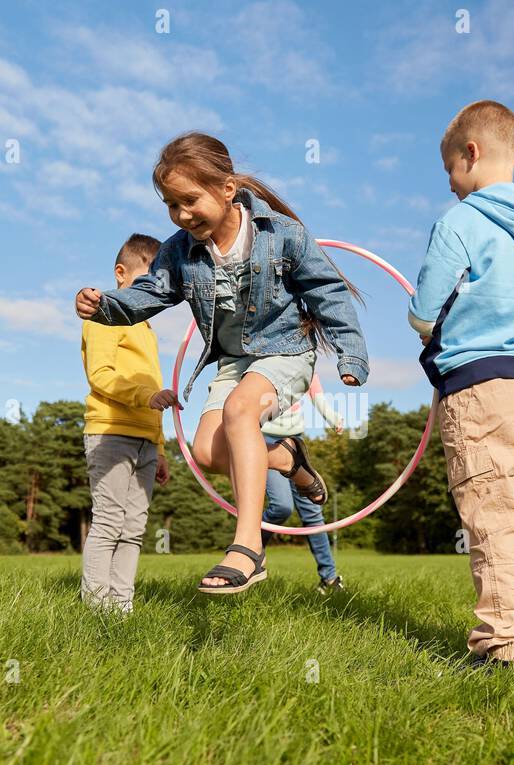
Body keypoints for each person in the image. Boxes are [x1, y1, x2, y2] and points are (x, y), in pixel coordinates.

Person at [74, 132, 370, 594]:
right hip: (233, 363)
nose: (182, 214)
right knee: (207, 451)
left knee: (240, 412)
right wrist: (106, 306)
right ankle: (288, 459)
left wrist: (349, 352)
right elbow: (151, 292)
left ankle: (248, 548)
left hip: (285, 352)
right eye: (171, 205)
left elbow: (327, 290)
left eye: (190, 200)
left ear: (227, 189)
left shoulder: (282, 235)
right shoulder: (178, 251)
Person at [409, 100, 514, 667]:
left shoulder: (460, 222)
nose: (450, 184)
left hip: (477, 384)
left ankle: (498, 647)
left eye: (449, 168)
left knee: (491, 506)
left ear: (470, 154)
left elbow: (424, 312)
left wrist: (426, 322)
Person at [79, 233, 175, 614]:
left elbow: (154, 398)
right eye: (145, 283)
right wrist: (145, 396)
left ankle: (121, 608)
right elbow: (100, 374)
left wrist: (161, 448)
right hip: (110, 432)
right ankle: (95, 607)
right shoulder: (104, 314)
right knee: (108, 522)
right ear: (121, 274)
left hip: (146, 442)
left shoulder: (147, 331)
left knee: (134, 529)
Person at [260, 375, 347, 594]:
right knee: (281, 507)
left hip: (294, 439)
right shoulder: (260, 349)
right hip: (264, 438)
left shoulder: (306, 356)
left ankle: (329, 579)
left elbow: (315, 392)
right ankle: (249, 553)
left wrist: (332, 417)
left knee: (313, 512)